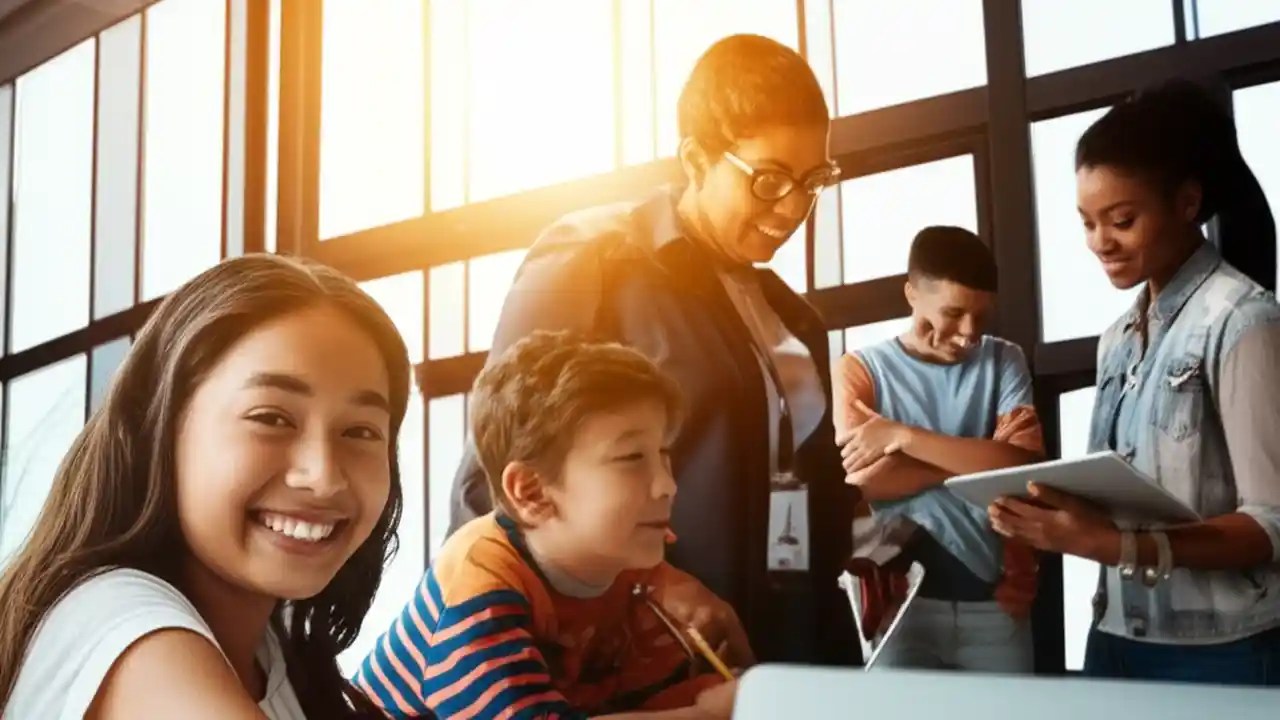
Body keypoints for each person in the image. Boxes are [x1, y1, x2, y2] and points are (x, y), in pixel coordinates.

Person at [446, 34, 854, 664]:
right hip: (654, 641)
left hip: (802, 633)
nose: (795, 206)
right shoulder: (597, 260)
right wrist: (654, 582)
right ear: (696, 160)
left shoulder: (794, 317)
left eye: (813, 180)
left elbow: (803, 476)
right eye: (770, 180)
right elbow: (493, 479)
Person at [0, 255, 412, 719]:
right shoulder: (121, 626)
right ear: (160, 428)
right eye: (271, 418)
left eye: (360, 431)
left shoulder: (271, 656)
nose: (323, 475)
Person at [990, 79, 1280, 684]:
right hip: (1115, 637)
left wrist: (1112, 545)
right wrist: (1053, 513)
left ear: (1187, 203)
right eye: (1087, 223)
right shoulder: (1117, 338)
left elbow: (1270, 525)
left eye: (1121, 219)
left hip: (1220, 653)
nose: (1101, 243)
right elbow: (1125, 503)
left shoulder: (1245, 320)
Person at [356, 331, 737, 719]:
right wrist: (705, 715)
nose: (667, 485)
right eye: (631, 457)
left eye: (663, 453)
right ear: (532, 493)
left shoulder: (628, 569)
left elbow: (642, 697)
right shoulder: (479, 580)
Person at [832, 226, 1044, 672]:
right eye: (953, 313)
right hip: (894, 610)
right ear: (911, 294)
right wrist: (979, 460)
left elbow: (1023, 467)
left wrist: (903, 438)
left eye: (981, 317)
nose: (969, 333)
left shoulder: (1004, 359)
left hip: (996, 605)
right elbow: (868, 481)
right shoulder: (858, 370)